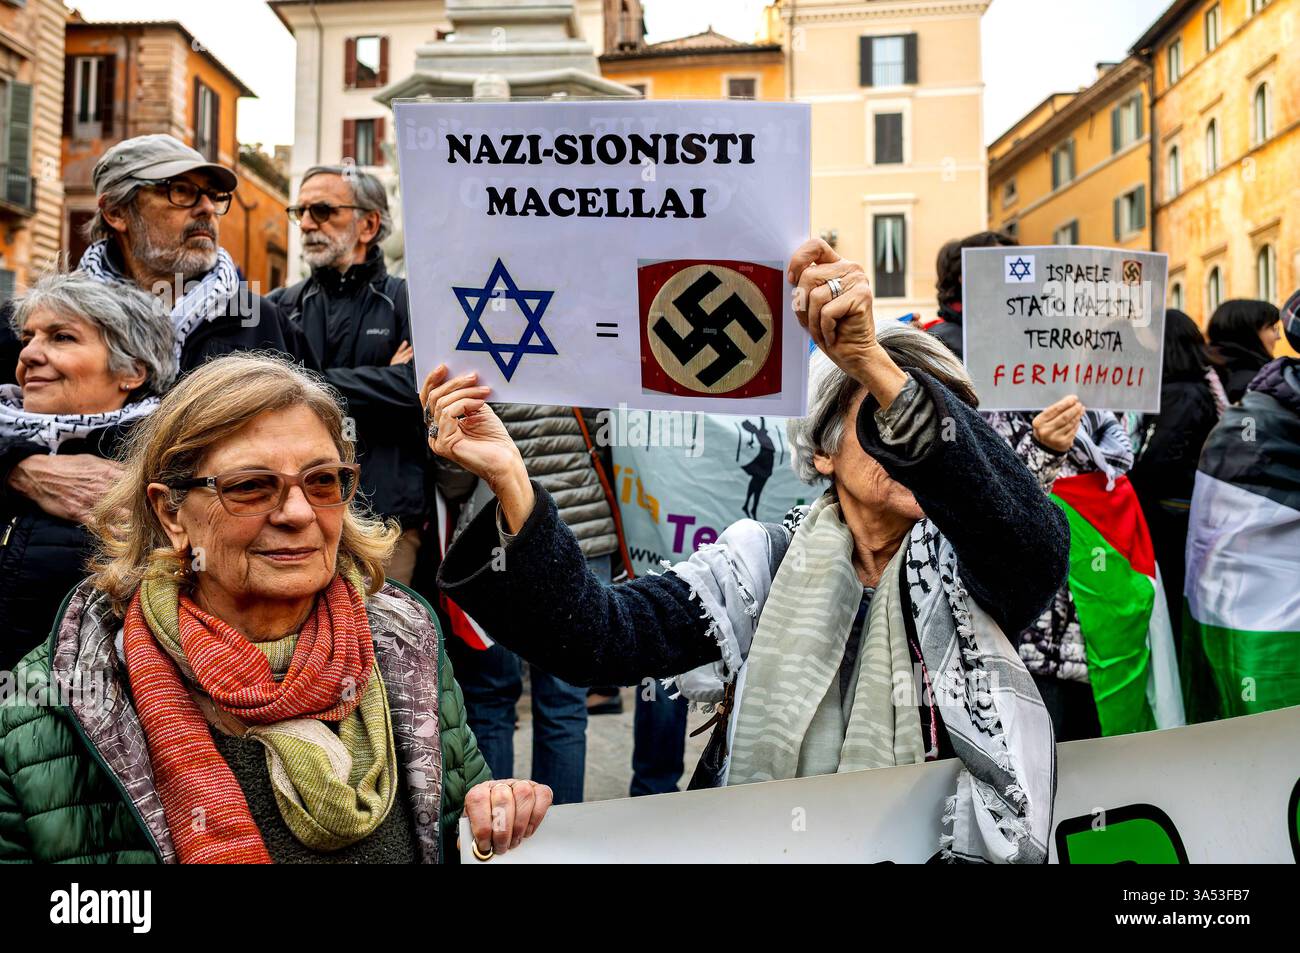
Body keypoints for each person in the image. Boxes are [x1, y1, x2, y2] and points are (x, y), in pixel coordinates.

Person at [426, 239, 1070, 863]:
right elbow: (601, 637)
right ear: (822, 452)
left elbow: (1031, 545)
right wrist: (511, 478)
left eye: (914, 417)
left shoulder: (972, 570)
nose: (901, 432)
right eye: (875, 411)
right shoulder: (759, 564)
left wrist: (874, 361)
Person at [0, 353, 549, 864]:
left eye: (322, 480)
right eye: (251, 487)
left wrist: (498, 811)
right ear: (171, 513)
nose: (296, 513)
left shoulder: (404, 644)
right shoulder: (56, 702)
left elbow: (456, 826)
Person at [1, 135, 318, 541]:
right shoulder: (40, 319)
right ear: (116, 211)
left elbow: (319, 439)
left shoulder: (262, 323)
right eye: (181, 192)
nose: (205, 208)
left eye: (213, 195)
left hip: (223, 563)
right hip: (54, 567)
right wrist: (19, 470)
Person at [433, 405, 619, 806]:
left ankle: (498, 837)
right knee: (566, 702)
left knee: (491, 698)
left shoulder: (468, 366)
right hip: (583, 529)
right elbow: (604, 444)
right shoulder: (573, 354)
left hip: (498, 543)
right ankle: (563, 838)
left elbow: (452, 479)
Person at [0, 273, 175, 669]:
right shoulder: (9, 444)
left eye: (62, 337)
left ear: (131, 371)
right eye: (28, 338)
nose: (28, 355)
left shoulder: (165, 463)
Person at [983, 397, 1181, 740]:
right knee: (1044, 775)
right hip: (1033, 653)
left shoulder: (1109, 417)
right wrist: (1041, 450)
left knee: (1108, 775)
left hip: (1108, 642)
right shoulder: (985, 410)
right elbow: (991, 516)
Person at [268, 165, 426, 584]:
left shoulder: (409, 300)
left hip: (386, 518)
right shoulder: (278, 307)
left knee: (384, 643)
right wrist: (380, 378)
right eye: (299, 211)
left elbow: (418, 389)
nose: (305, 224)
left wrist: (307, 381)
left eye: (321, 210)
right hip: (290, 514)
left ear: (368, 224)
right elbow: (264, 399)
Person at [1184, 295, 1300, 721]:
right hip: (1268, 625)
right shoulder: (1252, 419)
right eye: (1265, 326)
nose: (1272, 334)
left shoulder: (1249, 407)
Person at [1128, 309, 1224, 644]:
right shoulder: (1191, 388)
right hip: (1179, 509)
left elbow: (1159, 459)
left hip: (1171, 514)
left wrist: (1125, 483)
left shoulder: (1180, 393)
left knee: (1170, 604)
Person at [928, 230, 1018, 360]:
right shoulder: (942, 341)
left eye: (1009, 266)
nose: (1004, 276)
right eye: (994, 267)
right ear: (963, 276)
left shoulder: (1023, 331)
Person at [1207, 299, 1281, 403]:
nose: (1278, 336)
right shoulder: (1251, 384)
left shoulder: (1210, 371)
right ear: (1250, 332)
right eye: (1272, 328)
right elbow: (1250, 419)